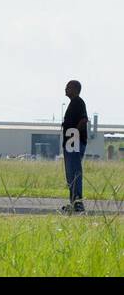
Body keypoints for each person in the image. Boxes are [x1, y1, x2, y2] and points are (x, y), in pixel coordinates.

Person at [60, 80, 89, 214]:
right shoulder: (73, 103)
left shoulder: (78, 102)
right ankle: (73, 203)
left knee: (75, 173)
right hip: (70, 144)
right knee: (70, 175)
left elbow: (84, 120)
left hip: (74, 143)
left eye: (69, 87)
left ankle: (78, 204)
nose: (66, 88)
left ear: (76, 89)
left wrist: (75, 136)